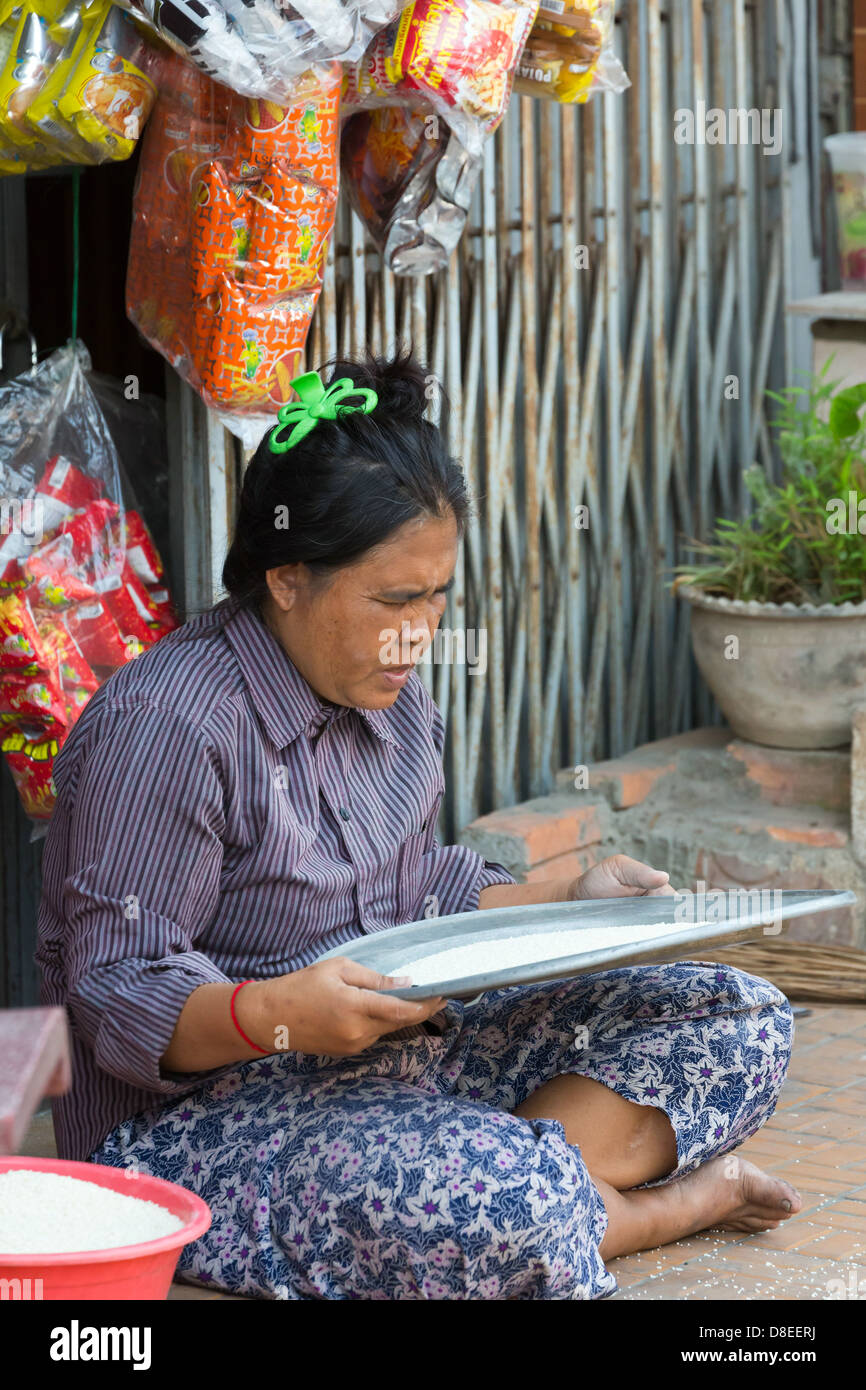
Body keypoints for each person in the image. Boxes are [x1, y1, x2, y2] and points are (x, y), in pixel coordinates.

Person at [36, 352, 800, 1301]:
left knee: (736, 1017)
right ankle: (649, 1208)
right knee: (501, 1200)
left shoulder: (393, 699)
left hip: (401, 1067)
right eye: (395, 600)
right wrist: (281, 1015)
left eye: (438, 597)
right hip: (196, 1127)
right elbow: (117, 991)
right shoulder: (170, 727)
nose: (421, 633)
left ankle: (531, 1191)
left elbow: (418, 885)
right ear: (286, 576)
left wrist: (568, 901)